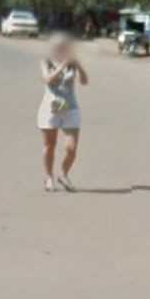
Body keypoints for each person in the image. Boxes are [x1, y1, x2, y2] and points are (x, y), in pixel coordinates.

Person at [37, 33, 88, 192]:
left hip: (70, 108)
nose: (63, 50)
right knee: (49, 145)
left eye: (65, 47)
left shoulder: (72, 64)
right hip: (51, 108)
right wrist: (61, 67)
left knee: (71, 147)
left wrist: (78, 66)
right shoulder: (46, 62)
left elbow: (84, 81)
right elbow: (48, 80)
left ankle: (64, 174)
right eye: (59, 47)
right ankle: (49, 178)